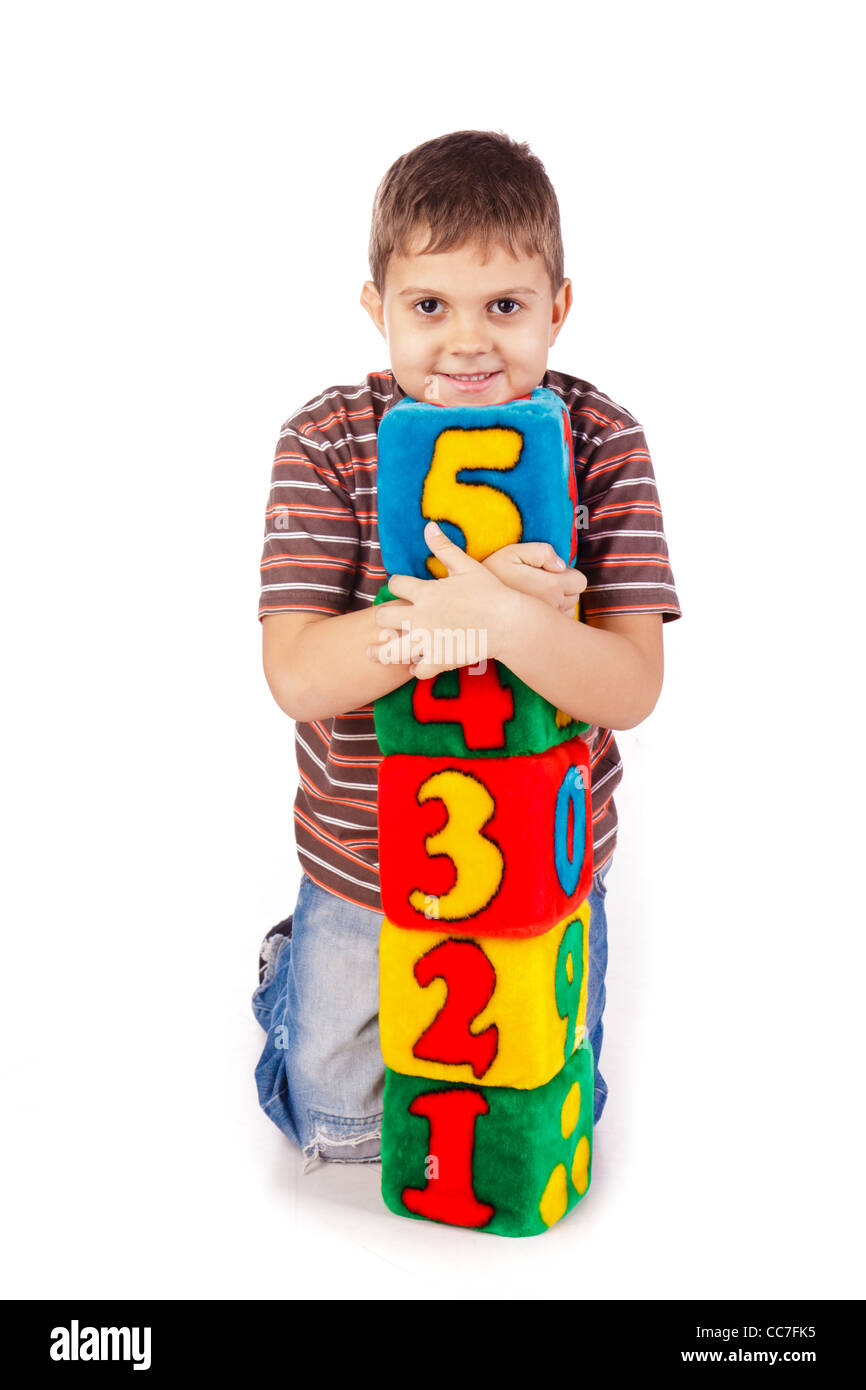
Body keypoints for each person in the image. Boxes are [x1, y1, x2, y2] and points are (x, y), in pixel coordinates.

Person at [251, 130, 682, 1169]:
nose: (466, 344)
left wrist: (513, 624)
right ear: (377, 308)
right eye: (428, 306)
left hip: (542, 866)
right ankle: (291, 965)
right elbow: (298, 672)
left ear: (556, 308)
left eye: (504, 306)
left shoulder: (603, 439)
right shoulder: (327, 439)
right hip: (366, 860)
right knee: (341, 1128)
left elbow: (627, 685)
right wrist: (460, 611)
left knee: (530, 1127)